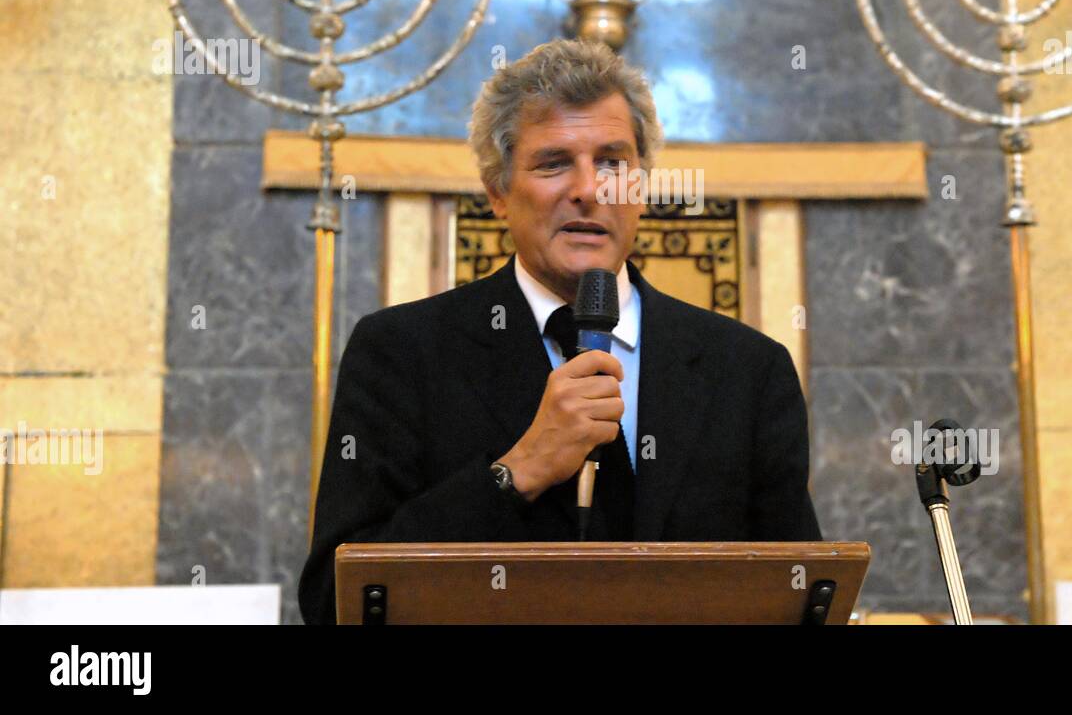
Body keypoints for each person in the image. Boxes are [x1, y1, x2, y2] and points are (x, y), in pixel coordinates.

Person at [298, 38, 821, 625]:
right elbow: (335, 600)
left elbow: (797, 588)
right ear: (498, 191)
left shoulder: (748, 370)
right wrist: (516, 472)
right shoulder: (401, 352)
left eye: (612, 162)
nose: (588, 189)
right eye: (553, 163)